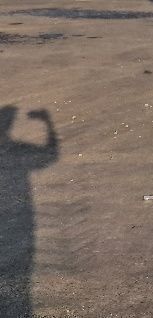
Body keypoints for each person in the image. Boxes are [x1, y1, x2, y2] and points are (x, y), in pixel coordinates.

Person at [0, 106, 59, 318]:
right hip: (18, 221)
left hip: (16, 221)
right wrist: (47, 122)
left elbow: (49, 156)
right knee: (20, 276)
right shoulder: (18, 151)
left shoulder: (16, 151)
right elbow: (50, 155)